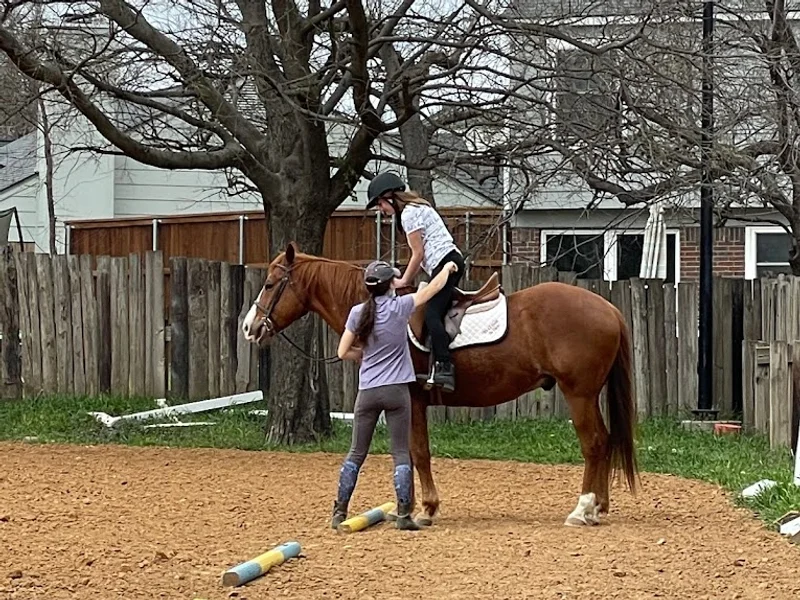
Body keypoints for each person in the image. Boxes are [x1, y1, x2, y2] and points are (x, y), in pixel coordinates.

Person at [332, 258, 460, 531]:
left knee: (356, 452)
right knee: (401, 453)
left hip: (367, 391)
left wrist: (363, 357)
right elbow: (430, 291)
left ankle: (339, 511)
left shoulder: (357, 312)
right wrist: (447, 270)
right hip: (397, 391)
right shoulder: (400, 307)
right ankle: (403, 515)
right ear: (391, 284)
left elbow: (342, 352)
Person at [366, 171, 465, 393]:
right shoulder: (417, 208)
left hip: (447, 263)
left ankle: (445, 367)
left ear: (390, 196)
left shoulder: (409, 214)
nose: (382, 210)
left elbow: (417, 254)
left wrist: (403, 281)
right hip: (443, 262)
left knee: (431, 315)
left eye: (380, 204)